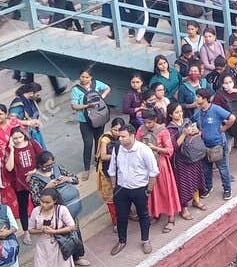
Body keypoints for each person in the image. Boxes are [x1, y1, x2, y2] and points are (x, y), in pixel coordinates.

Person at [106, 123, 159, 256]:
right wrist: (114, 187)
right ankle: (121, 241)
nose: (120, 139)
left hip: (140, 189)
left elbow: (153, 172)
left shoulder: (144, 150)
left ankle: (145, 240)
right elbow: (112, 170)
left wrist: (148, 190)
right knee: (121, 216)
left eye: (123, 137)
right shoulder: (117, 149)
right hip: (121, 189)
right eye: (119, 137)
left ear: (132, 135)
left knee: (143, 215)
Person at [138, 110, 184, 234]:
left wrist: (155, 148)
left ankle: (171, 217)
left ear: (155, 120)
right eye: (145, 122)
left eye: (149, 122)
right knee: (152, 191)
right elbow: (137, 144)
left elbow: (169, 150)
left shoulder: (163, 131)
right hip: (147, 165)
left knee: (166, 190)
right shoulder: (141, 130)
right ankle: (156, 213)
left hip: (161, 164)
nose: (147, 125)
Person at [69, 69, 112, 180]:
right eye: (82, 77)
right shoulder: (76, 90)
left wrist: (102, 97)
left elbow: (107, 88)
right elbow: (74, 106)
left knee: (99, 141)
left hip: (98, 118)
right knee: (88, 144)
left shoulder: (97, 84)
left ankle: (98, 162)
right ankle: (86, 169)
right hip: (85, 120)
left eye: (87, 77)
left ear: (91, 77)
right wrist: (87, 106)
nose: (84, 79)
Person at [193, 90, 235, 201]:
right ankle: (208, 187)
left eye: (198, 97)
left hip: (218, 144)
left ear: (205, 99)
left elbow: (232, 118)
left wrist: (224, 128)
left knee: (223, 167)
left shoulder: (215, 109)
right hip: (204, 145)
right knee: (206, 168)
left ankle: (227, 189)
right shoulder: (198, 112)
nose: (196, 99)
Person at [1, 126, 41, 225]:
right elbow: (9, 168)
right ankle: (26, 231)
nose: (18, 140)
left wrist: (35, 171)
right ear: (11, 139)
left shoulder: (32, 143)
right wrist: (12, 150)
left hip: (36, 179)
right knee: (23, 206)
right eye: (15, 138)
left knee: (40, 202)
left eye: (20, 137)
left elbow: (43, 158)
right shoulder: (9, 149)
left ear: (24, 136)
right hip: (20, 183)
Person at [9, 81, 48, 150]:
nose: (38, 96)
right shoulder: (18, 104)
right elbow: (11, 120)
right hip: (25, 135)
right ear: (31, 93)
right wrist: (28, 122)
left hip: (34, 132)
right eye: (37, 94)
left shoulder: (30, 100)